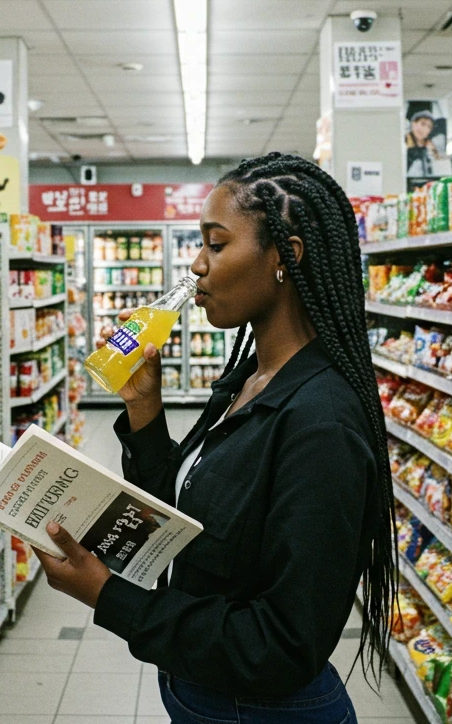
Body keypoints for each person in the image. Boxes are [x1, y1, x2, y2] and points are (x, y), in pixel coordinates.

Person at [32, 152, 396, 723]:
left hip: (265, 712)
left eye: (216, 244)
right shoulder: (250, 380)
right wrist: (145, 409)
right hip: (213, 697)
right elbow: (189, 523)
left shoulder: (321, 422)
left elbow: (282, 644)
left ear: (284, 257)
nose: (197, 265)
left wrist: (109, 597)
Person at [406, 110, 446, 179]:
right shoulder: (403, 143)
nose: (425, 129)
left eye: (429, 127)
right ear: (413, 124)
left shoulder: (431, 148)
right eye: (423, 124)